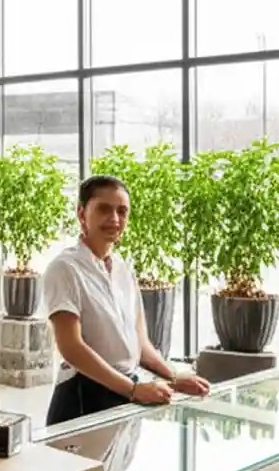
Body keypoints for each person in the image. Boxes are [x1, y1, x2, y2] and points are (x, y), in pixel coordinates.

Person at [42, 175, 210, 427]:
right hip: (83, 395)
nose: (115, 219)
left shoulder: (123, 269)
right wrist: (133, 389)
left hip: (124, 393)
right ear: (81, 213)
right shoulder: (65, 268)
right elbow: (71, 348)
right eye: (104, 209)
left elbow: (139, 343)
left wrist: (174, 376)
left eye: (122, 211)